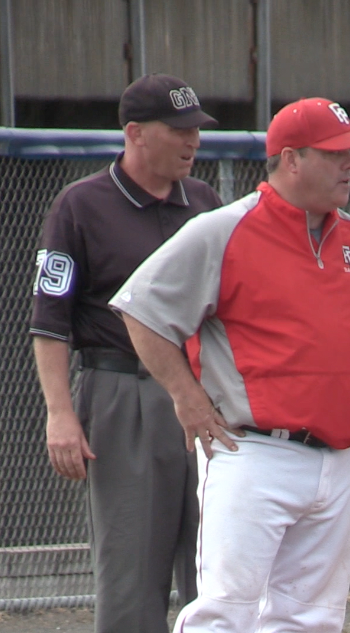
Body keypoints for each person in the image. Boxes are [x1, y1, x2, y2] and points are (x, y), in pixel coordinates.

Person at [108, 97, 350, 632]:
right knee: (225, 614)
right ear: (291, 160)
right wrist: (187, 396)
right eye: (336, 153)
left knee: (311, 619)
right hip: (251, 450)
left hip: (337, 459)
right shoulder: (225, 230)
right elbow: (142, 311)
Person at [29, 73, 221, 633]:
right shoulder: (81, 205)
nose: (193, 141)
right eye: (178, 129)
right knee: (133, 571)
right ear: (136, 133)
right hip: (124, 391)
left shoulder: (204, 201)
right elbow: (50, 321)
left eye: (197, 130)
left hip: (203, 394)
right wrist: (61, 413)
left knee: (214, 564)